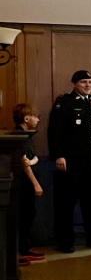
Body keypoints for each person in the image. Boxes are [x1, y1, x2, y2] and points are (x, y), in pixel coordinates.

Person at [48, 70, 91, 252]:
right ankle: (66, 242)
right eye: (84, 82)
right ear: (75, 84)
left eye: (90, 82)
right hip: (71, 161)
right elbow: (55, 131)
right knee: (66, 204)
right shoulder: (65, 102)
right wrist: (58, 155)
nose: (88, 85)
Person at [14, 104, 45, 265]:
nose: (38, 119)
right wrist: (36, 184)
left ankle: (26, 246)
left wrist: (32, 160)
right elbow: (24, 163)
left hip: (26, 181)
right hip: (23, 182)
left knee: (29, 213)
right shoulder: (19, 136)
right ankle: (22, 249)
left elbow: (32, 158)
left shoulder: (28, 135)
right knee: (24, 215)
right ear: (26, 119)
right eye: (35, 116)